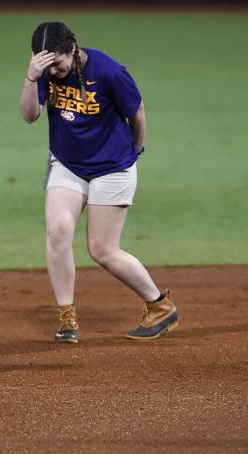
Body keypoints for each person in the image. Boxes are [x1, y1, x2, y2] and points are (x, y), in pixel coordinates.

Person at [18, 21, 178, 343]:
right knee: (58, 230)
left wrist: (134, 151)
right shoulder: (43, 72)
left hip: (112, 167)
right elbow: (29, 115)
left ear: (72, 49)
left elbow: (138, 113)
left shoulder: (108, 71)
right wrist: (31, 77)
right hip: (67, 165)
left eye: (59, 63)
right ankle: (67, 318)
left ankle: (160, 306)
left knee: (102, 250)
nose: (56, 70)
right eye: (47, 64)